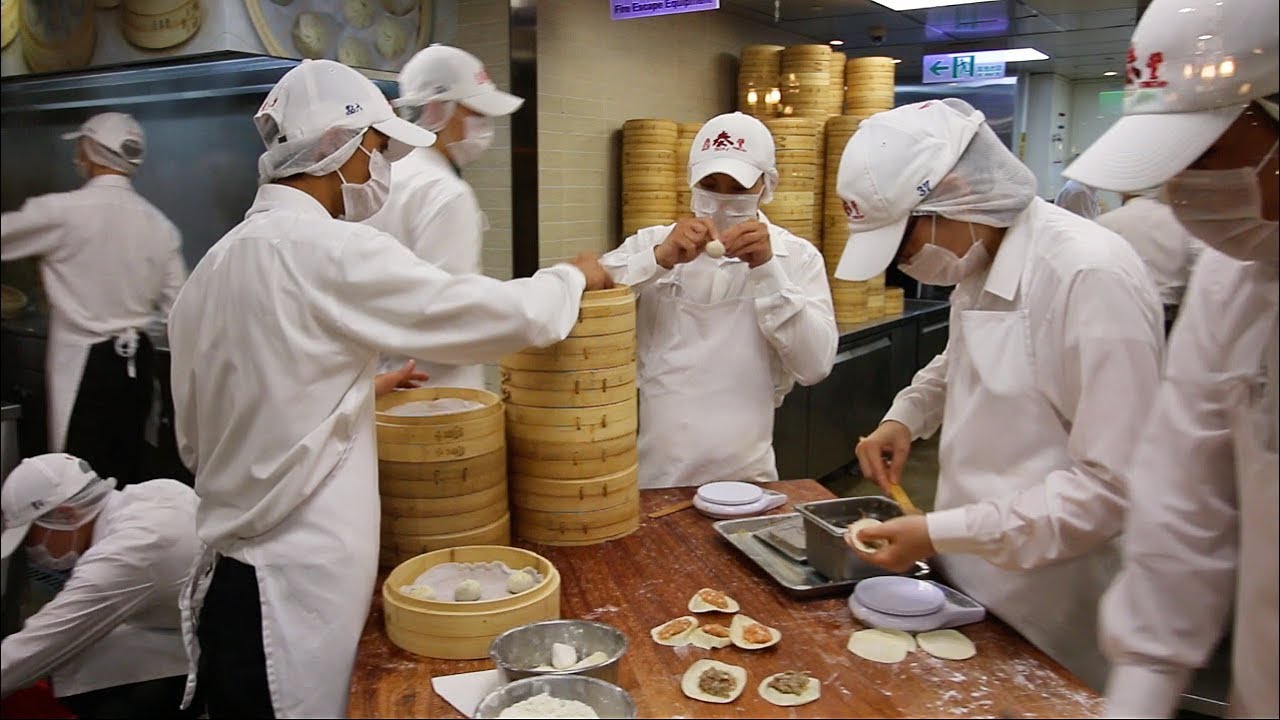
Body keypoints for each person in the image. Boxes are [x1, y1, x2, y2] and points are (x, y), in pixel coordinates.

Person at [167, 59, 611, 719]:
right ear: (334, 150)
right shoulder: (330, 251)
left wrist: (354, 392)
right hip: (291, 595)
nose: (381, 169)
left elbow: (203, 432)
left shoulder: (215, 265)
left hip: (232, 577)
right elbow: (495, 316)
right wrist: (574, 278)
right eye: (376, 149)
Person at [836, 98, 1164, 691]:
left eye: (903, 244)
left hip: (1057, 597)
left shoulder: (1088, 275)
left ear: (955, 192)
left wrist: (938, 532)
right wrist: (906, 418)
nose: (906, 265)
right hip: (972, 572)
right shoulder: (980, 260)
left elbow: (1110, 491)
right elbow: (959, 356)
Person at [1062, 0, 1278, 715]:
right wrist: (1140, 693)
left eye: (1205, 155)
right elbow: (1183, 511)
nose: (1181, 191)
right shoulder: (1234, 275)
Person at [601, 112, 837, 490]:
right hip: (657, 474)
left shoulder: (797, 257)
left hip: (749, 478)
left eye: (739, 187)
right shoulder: (653, 243)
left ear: (767, 185)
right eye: (710, 184)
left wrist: (767, 271)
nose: (723, 199)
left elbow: (815, 365)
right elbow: (587, 305)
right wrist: (658, 261)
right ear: (692, 182)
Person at [0, 113, 187, 487]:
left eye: (79, 147)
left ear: (89, 151)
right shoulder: (160, 225)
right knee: (124, 479)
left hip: (85, 364)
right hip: (137, 366)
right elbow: (181, 311)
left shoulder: (63, 212)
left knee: (75, 481)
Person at [366, 44, 524, 389]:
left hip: (381, 384)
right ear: (438, 110)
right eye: (475, 113)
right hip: (436, 394)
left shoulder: (377, 179)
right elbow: (451, 318)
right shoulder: (445, 193)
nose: (484, 127)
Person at [0, 453, 199, 719]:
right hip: (205, 628)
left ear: (65, 515)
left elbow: (38, 645)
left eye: (31, 538)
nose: (33, 551)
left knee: (76, 663)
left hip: (236, 650)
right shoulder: (153, 494)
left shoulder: (128, 552)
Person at [1095, 188, 1205, 334]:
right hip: (1173, 316)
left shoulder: (1105, 223)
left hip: (1125, 316)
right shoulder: (1181, 220)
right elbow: (1198, 265)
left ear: (1123, 191)